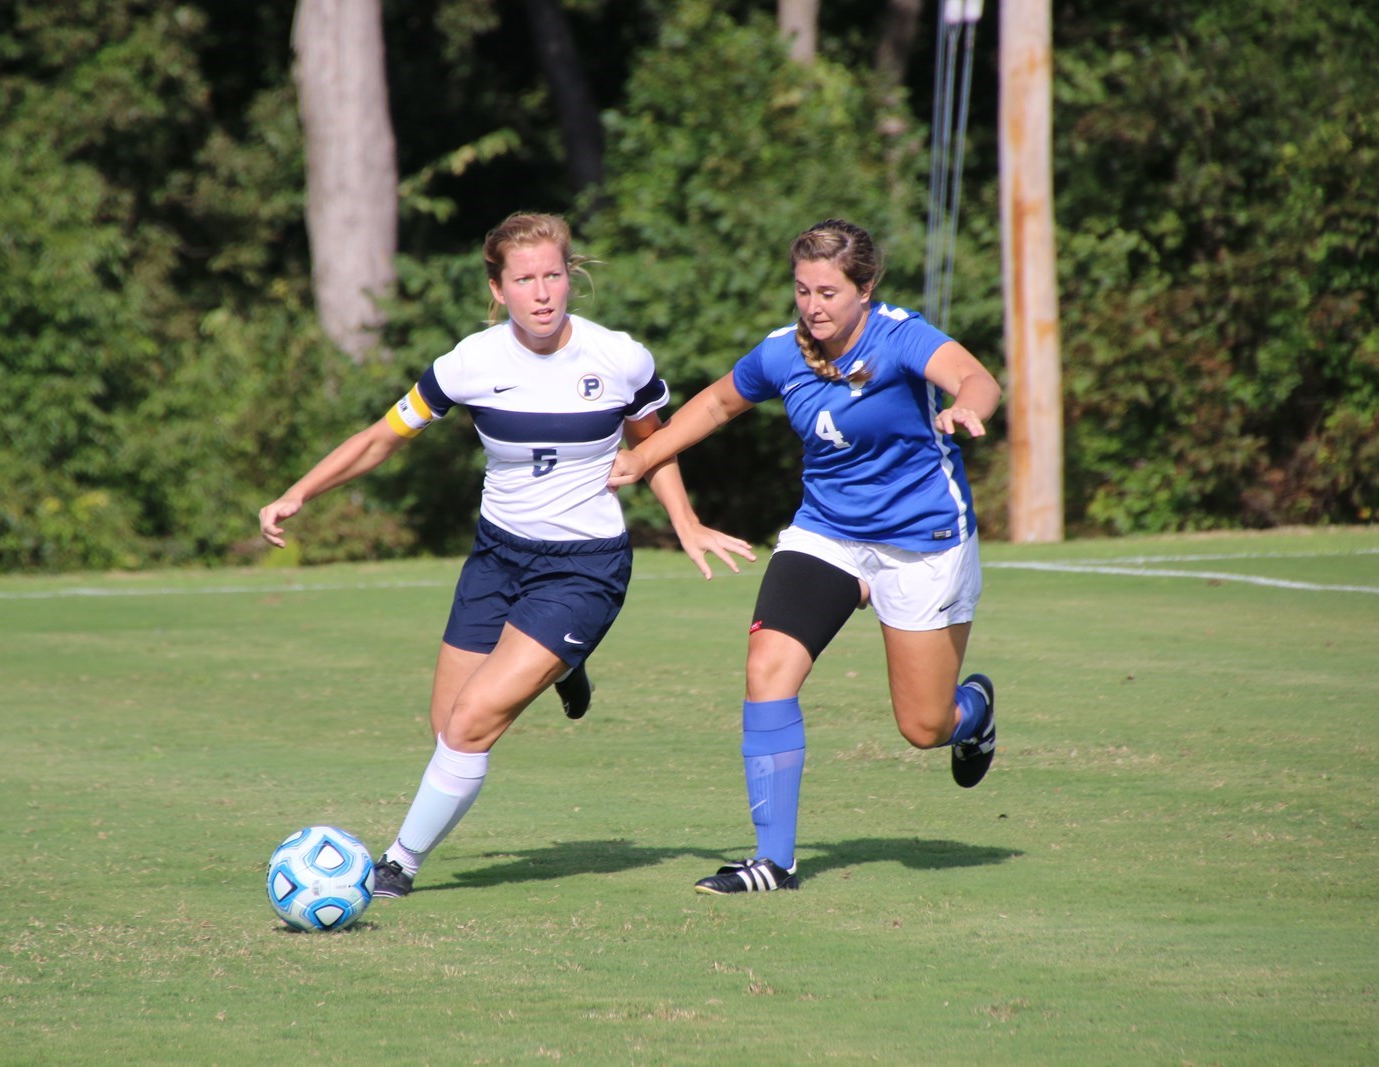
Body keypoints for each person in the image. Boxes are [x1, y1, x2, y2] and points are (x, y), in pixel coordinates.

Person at [259, 212, 755, 899]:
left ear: (571, 276)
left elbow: (654, 443)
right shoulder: (472, 362)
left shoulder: (619, 358)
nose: (543, 292)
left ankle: (397, 865)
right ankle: (563, 666)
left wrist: (687, 520)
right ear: (498, 289)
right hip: (496, 557)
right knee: (448, 729)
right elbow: (382, 436)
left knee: (471, 723)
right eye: (525, 279)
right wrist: (299, 492)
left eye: (554, 275)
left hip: (584, 565)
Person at [608, 218, 1001, 895]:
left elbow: (975, 376)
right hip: (828, 533)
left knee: (923, 724)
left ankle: (975, 714)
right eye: (802, 290)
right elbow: (719, 402)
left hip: (924, 540)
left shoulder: (901, 336)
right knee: (767, 667)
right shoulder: (782, 352)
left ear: (866, 288)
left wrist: (966, 406)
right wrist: (643, 455)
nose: (813, 306)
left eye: (828, 292)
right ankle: (775, 861)